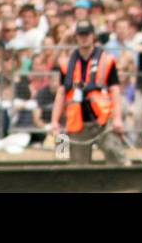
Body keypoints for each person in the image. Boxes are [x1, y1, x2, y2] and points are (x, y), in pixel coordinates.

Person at [49, 21, 129, 164]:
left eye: (87, 34)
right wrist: (54, 121)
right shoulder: (66, 63)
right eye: (81, 35)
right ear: (76, 37)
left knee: (116, 154)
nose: (84, 38)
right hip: (76, 121)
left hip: (103, 120)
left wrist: (117, 119)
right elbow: (61, 93)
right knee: (71, 161)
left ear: (93, 36)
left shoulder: (107, 61)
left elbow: (115, 90)